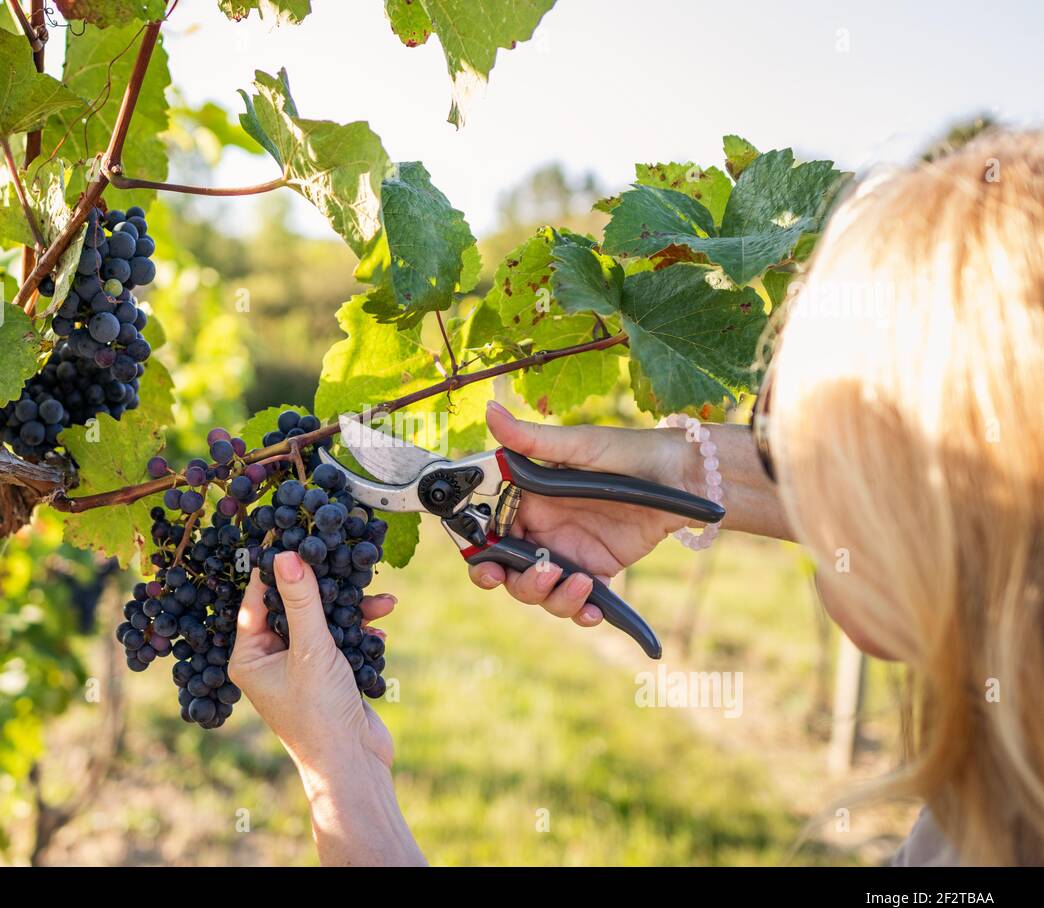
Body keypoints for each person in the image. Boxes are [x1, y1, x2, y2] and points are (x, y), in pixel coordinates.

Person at [230, 131, 1044, 866]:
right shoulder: (987, 820)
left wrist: (345, 780)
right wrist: (677, 472)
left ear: (956, 491)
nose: (793, 456)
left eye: (806, 431)